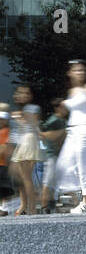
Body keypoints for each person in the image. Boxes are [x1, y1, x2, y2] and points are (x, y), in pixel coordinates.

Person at [56, 60, 86, 214]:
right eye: (77, 70)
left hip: (85, 129)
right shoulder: (71, 91)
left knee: (84, 165)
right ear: (70, 73)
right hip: (72, 130)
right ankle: (77, 200)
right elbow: (65, 112)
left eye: (83, 70)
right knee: (64, 164)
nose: (80, 73)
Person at [9, 85, 41, 216]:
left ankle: (32, 208)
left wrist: (21, 116)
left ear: (30, 96)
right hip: (21, 143)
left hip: (29, 141)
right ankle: (24, 204)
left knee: (26, 178)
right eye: (19, 93)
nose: (22, 95)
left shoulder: (32, 108)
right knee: (18, 177)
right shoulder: (19, 111)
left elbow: (34, 125)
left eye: (25, 93)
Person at [37, 98, 68, 214]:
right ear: (58, 108)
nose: (66, 109)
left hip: (59, 156)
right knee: (48, 182)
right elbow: (42, 132)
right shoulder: (54, 120)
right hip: (52, 156)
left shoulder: (61, 120)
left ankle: (51, 206)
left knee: (55, 183)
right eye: (64, 107)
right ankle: (45, 208)